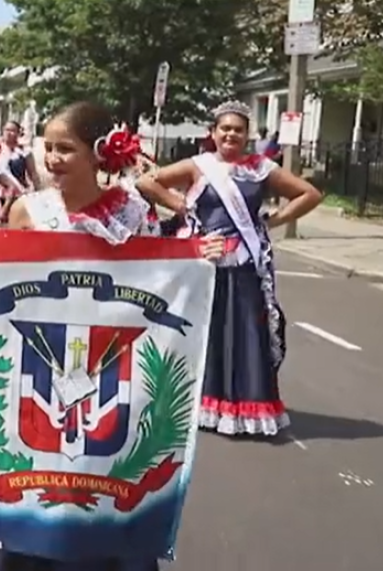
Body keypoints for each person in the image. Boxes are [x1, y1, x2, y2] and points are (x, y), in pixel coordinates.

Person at [0, 101, 223, 571]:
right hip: (33, 364)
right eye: (47, 147)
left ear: (98, 153)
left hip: (110, 366)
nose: (52, 159)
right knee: (30, 483)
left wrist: (195, 259)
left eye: (65, 149)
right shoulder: (27, 210)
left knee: (94, 484)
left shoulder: (133, 211)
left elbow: (156, 277)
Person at [137, 101, 321, 436]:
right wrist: (182, 205)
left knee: (247, 333)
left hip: (245, 264)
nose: (231, 134)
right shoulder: (199, 166)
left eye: (238, 129)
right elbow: (147, 182)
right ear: (213, 132)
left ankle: (244, 406)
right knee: (203, 332)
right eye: (225, 128)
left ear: (247, 135)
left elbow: (309, 194)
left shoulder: (261, 168)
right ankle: (201, 402)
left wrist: (273, 221)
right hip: (204, 264)